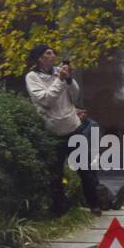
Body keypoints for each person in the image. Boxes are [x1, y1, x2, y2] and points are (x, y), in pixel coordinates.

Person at [24, 44, 102, 213]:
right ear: (40, 58)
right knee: (55, 174)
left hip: (74, 128)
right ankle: (59, 208)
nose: (53, 56)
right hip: (53, 132)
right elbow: (46, 100)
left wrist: (68, 79)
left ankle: (94, 204)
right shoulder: (32, 77)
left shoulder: (59, 72)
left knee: (86, 170)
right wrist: (59, 80)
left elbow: (74, 95)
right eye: (48, 53)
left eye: (53, 53)